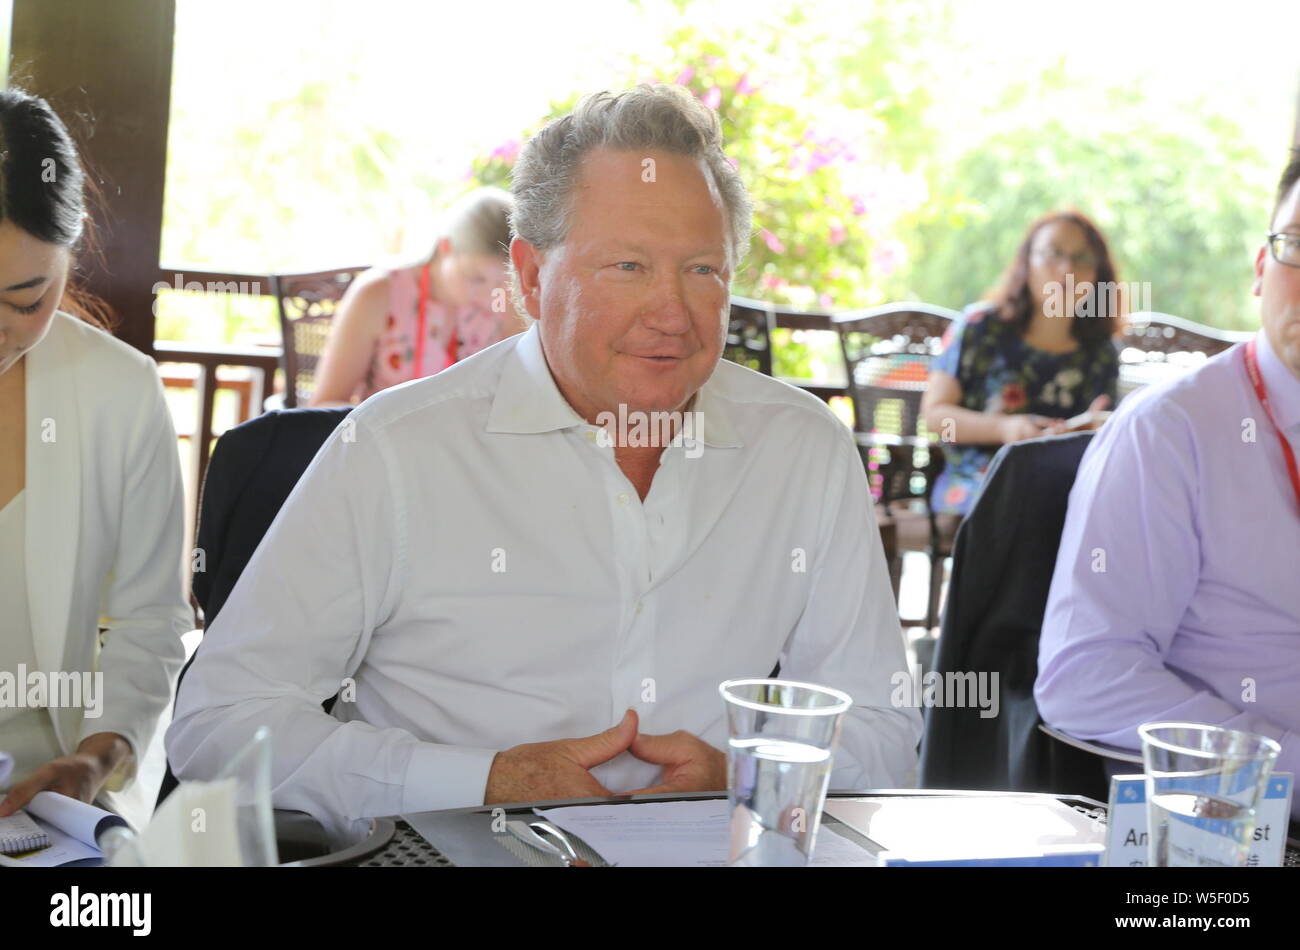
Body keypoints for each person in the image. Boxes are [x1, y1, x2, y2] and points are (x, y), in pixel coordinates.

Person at [167, 84, 921, 839]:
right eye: (628, 266)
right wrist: (484, 780)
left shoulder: (802, 447)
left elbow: (881, 729)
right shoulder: (398, 450)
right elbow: (220, 726)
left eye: (703, 271)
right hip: (450, 854)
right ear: (530, 277)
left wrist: (746, 775)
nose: (673, 313)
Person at [1036, 152, 1300, 817]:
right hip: (1242, 823)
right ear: (1260, 270)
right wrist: (1280, 769)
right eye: (1298, 246)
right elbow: (1084, 677)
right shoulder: (1172, 431)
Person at [0, 90, 189, 827]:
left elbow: (152, 618)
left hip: (43, 803)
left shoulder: (117, 391)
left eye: (24, 299)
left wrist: (98, 755)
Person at [921, 211, 1121, 516]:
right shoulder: (978, 327)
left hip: (1063, 485)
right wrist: (1005, 429)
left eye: (1082, 259)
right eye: (1053, 254)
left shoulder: (1102, 352)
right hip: (978, 483)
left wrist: (1085, 432)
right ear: (1027, 262)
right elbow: (937, 419)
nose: (1067, 269)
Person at [310, 187, 525, 406]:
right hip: (385, 437)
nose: (487, 296)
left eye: (500, 282)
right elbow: (326, 402)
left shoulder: (504, 302)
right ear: (445, 247)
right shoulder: (378, 292)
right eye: (475, 278)